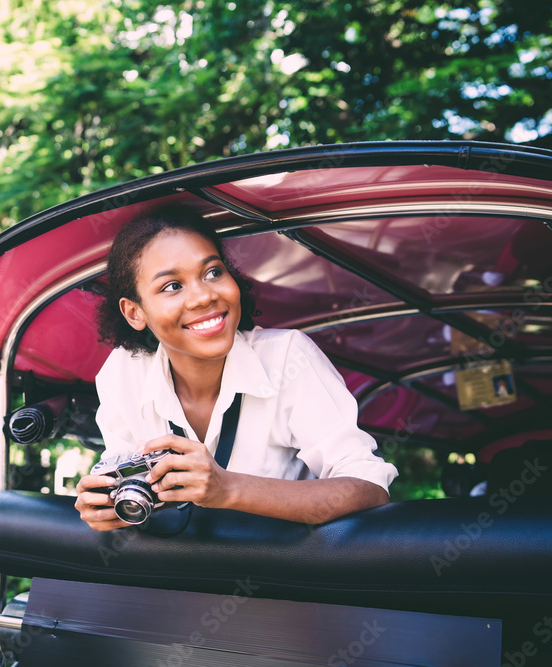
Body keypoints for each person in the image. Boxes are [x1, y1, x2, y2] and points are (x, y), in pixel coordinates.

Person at [75, 206, 397, 531]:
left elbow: (370, 491)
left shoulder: (287, 357)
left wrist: (227, 488)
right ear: (134, 312)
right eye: (172, 286)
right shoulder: (123, 372)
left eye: (213, 272)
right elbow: (127, 485)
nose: (203, 296)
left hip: (288, 571)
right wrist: (107, 506)